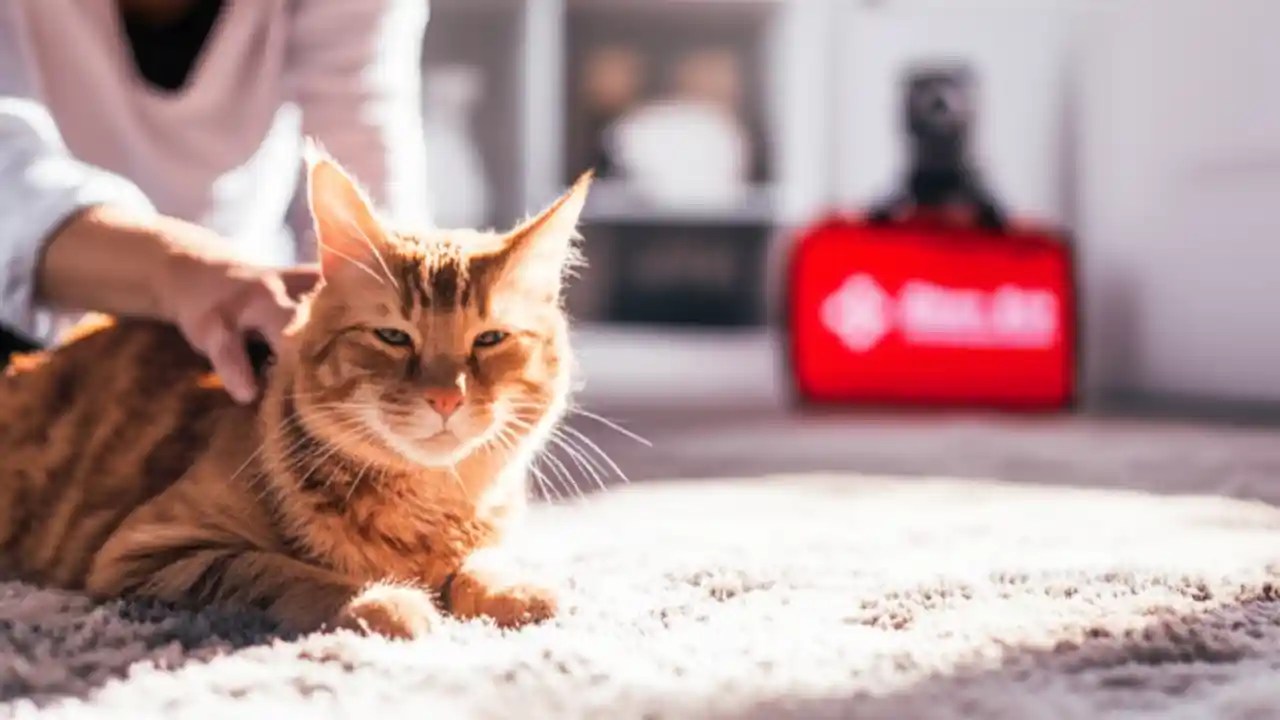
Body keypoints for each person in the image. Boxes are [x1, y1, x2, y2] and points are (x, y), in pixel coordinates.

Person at [0, 0, 431, 403]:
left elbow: (364, 161)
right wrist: (187, 270)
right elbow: (11, 180)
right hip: (28, 343)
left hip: (239, 335)